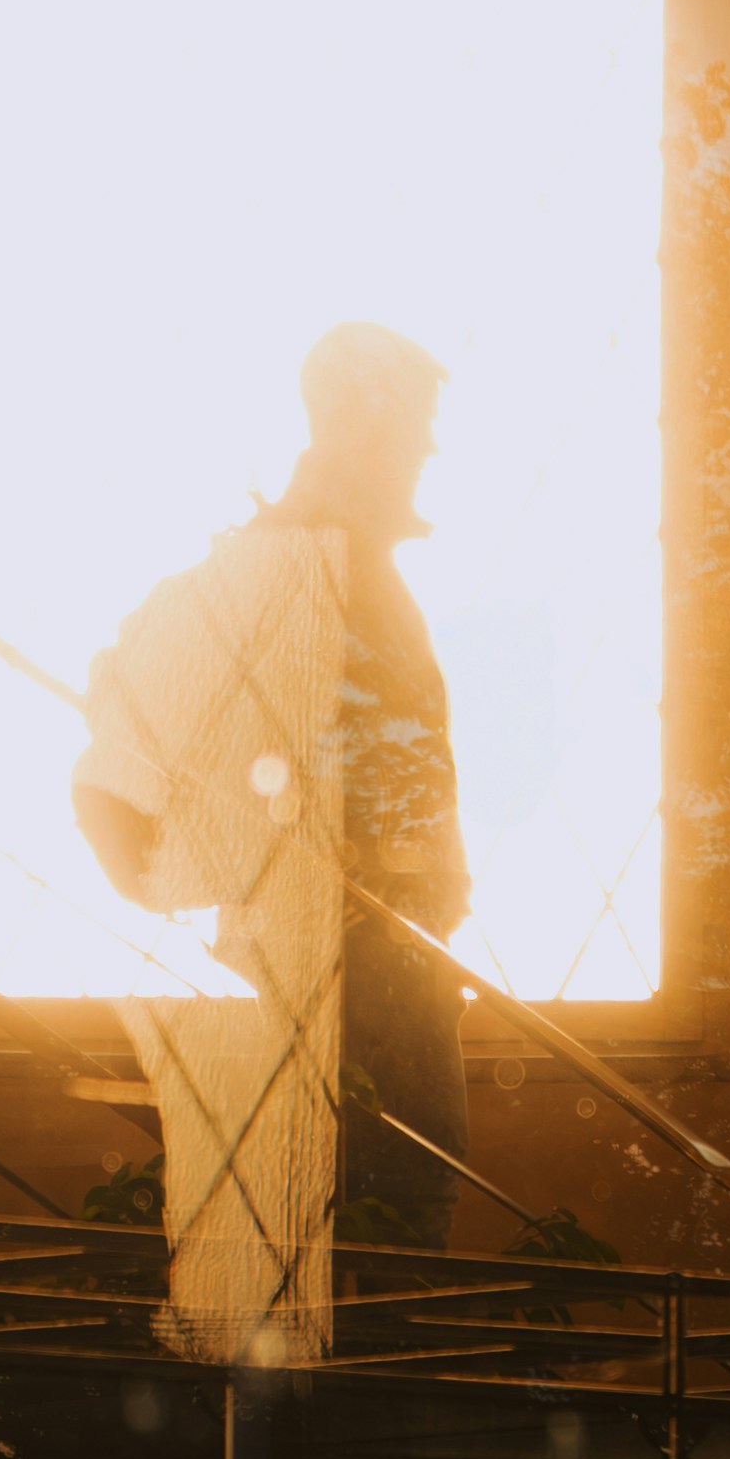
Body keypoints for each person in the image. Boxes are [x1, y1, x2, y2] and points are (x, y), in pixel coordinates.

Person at [71, 323, 474, 1270]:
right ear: (355, 424)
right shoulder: (243, 589)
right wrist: (249, 910)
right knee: (342, 1261)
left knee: (394, 1249)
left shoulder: (353, 586)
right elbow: (108, 791)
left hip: (398, 983)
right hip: (312, 989)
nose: (429, 450)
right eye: (414, 425)